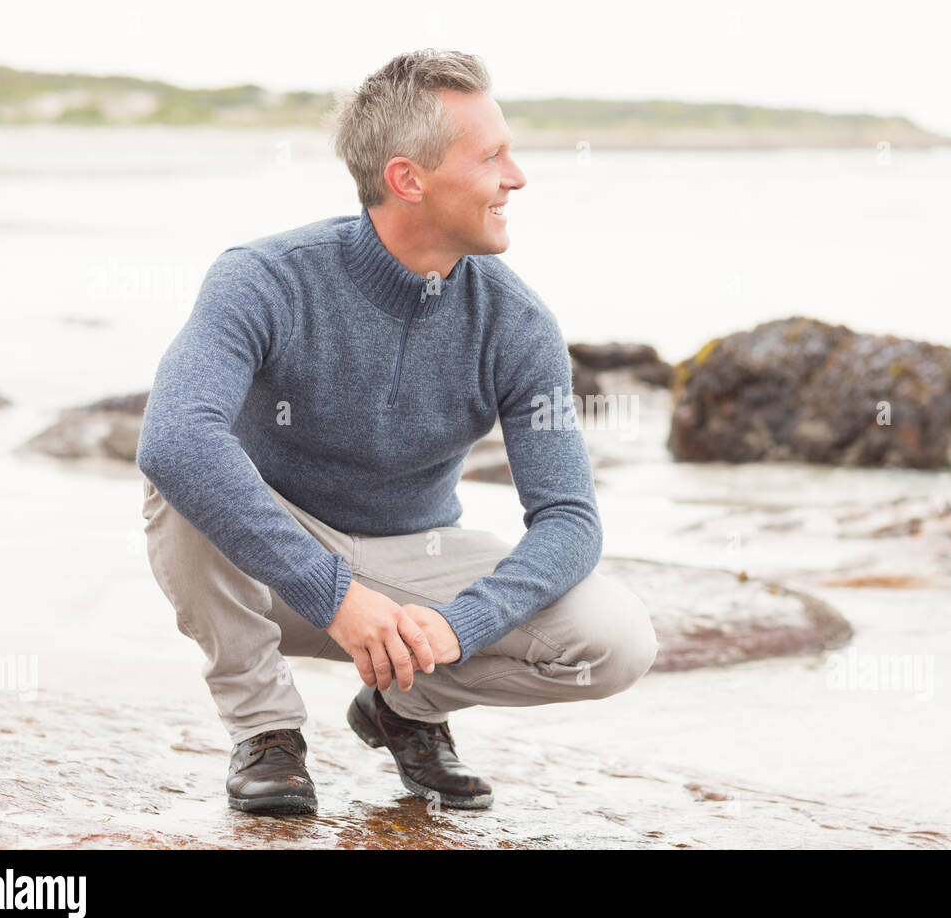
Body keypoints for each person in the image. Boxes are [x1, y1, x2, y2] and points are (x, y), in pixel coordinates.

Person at [137, 48, 658, 815]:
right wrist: (336, 595)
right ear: (408, 179)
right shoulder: (265, 278)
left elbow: (570, 520)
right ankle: (267, 733)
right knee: (182, 479)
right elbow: (175, 437)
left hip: (414, 561)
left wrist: (461, 624)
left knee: (616, 642)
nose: (517, 177)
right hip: (270, 569)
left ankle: (402, 709)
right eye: (492, 157)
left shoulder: (518, 325)